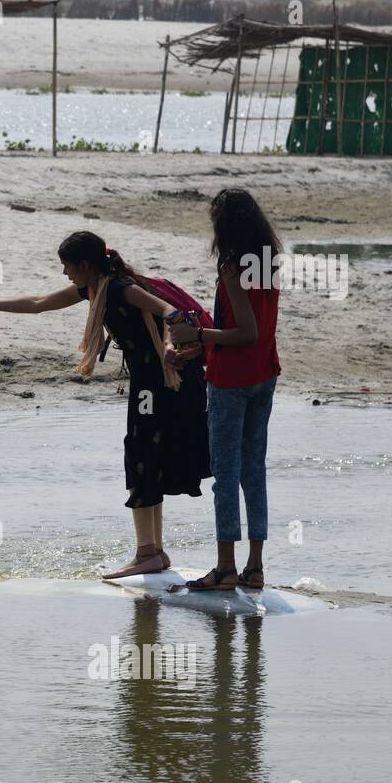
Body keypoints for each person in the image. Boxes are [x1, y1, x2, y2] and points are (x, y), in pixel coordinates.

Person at [0, 231, 211, 578]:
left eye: (67, 267)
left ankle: (147, 553)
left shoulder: (119, 289)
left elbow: (169, 311)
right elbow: (39, 303)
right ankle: (154, 552)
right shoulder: (93, 288)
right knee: (146, 454)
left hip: (163, 380)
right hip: (149, 380)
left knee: (142, 455)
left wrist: (170, 346)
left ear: (85, 265)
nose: (65, 274)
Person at [168, 189, 283, 591]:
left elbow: (245, 332)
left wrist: (195, 333)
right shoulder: (268, 264)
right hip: (264, 375)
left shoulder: (232, 268)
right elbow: (255, 330)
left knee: (226, 476)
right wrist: (203, 344)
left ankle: (224, 568)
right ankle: (255, 567)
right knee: (254, 472)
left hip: (232, 381)